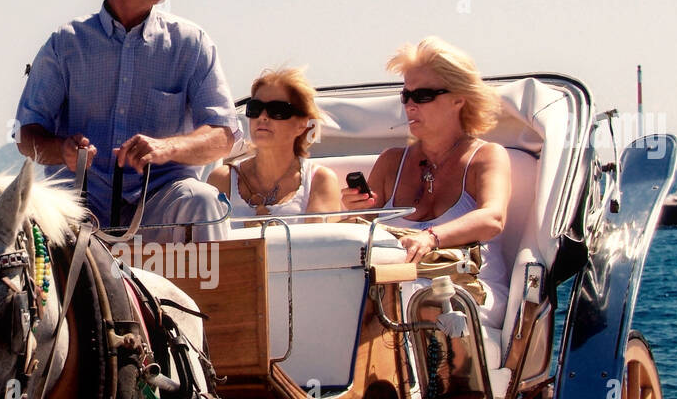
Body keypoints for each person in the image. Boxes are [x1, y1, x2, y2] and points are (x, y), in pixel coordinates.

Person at [15, 0, 240, 243]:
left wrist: (166, 148)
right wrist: (61, 150)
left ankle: (217, 297)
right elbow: (25, 134)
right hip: (77, 209)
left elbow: (225, 135)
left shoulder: (191, 43)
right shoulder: (65, 44)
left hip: (161, 203)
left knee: (204, 201)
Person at [341, 37, 511, 329]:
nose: (410, 105)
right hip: (396, 291)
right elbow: (358, 237)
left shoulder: (486, 156)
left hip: (467, 288)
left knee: (427, 306)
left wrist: (430, 237)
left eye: (422, 96)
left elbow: (492, 218)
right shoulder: (391, 161)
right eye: (405, 95)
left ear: (459, 98)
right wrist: (353, 211)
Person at [208, 66, 340, 224]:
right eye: (255, 108)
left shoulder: (320, 181)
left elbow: (320, 246)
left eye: (277, 110)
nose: (262, 117)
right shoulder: (222, 179)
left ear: (302, 125)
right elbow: (210, 245)